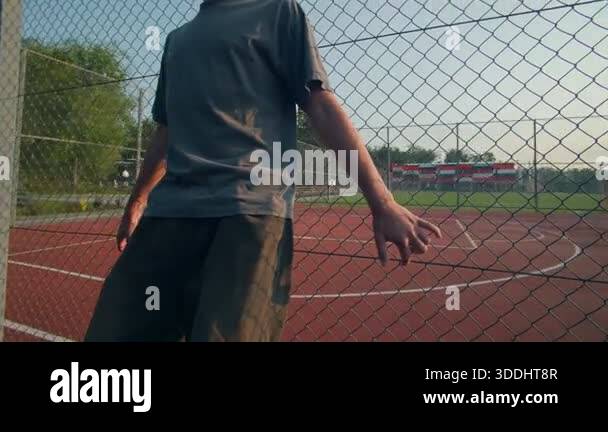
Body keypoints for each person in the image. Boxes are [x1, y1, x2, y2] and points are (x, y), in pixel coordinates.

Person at [85, 0, 442, 342]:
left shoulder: (277, 11)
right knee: (114, 333)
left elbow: (320, 106)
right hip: (168, 215)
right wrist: (137, 201)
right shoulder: (177, 40)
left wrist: (381, 201)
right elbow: (166, 131)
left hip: (247, 215)